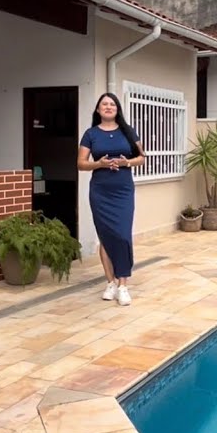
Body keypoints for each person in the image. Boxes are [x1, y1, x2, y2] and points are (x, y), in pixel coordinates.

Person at [78, 92, 145, 305]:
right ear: (98, 110)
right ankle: (111, 284)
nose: (108, 107)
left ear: (117, 109)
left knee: (123, 235)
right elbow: (81, 163)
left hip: (123, 190)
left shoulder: (128, 131)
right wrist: (100, 164)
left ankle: (123, 285)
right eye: (104, 104)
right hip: (100, 190)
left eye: (112, 104)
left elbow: (142, 158)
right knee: (106, 236)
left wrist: (127, 163)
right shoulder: (91, 134)